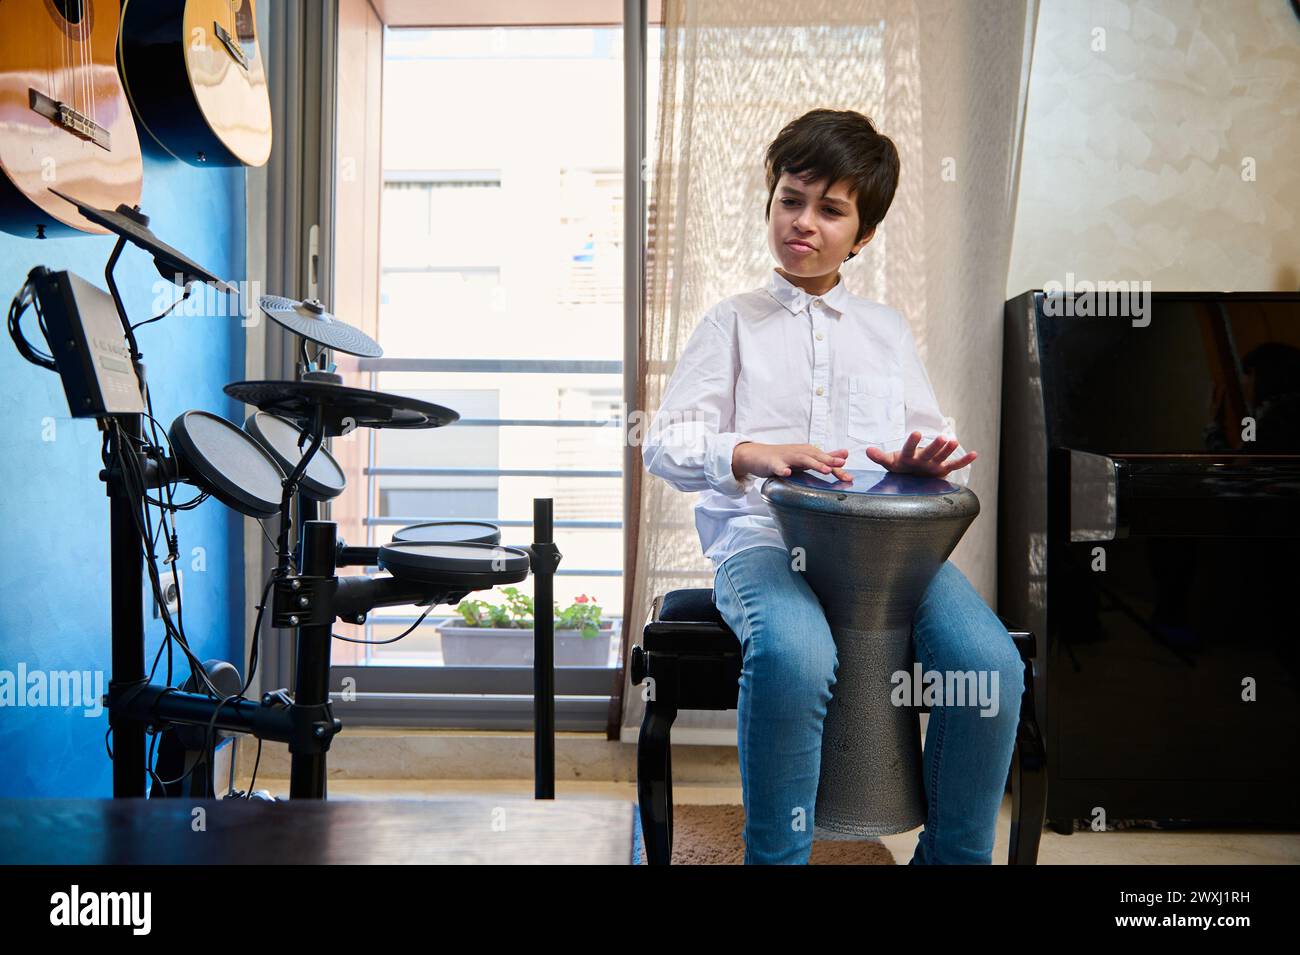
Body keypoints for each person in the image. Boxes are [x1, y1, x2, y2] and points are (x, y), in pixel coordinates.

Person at [641, 108, 1025, 864]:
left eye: (831, 208)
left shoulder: (887, 331)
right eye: (791, 198)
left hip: (892, 555)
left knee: (990, 665)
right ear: (771, 201)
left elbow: (944, 449)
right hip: (764, 544)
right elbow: (665, 442)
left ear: (865, 233)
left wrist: (926, 466)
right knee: (794, 656)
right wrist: (748, 451)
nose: (803, 222)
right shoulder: (731, 323)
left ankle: (953, 857)